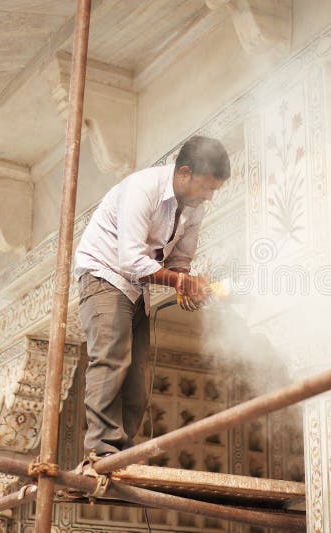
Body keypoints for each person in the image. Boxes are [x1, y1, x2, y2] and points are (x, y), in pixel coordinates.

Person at [73, 135, 231, 456]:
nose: (210, 196)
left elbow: (180, 261)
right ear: (184, 173)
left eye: (214, 190)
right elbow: (129, 260)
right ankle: (102, 450)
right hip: (104, 275)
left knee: (137, 378)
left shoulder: (193, 208)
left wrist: (184, 282)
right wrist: (180, 282)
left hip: (135, 288)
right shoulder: (142, 188)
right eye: (207, 187)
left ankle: (121, 453)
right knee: (111, 358)